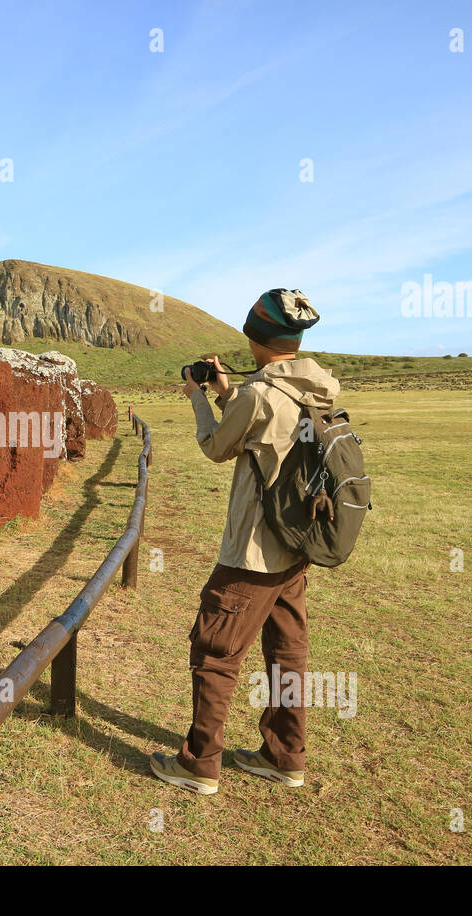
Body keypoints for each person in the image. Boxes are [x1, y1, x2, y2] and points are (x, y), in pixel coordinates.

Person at [149, 289, 339, 793]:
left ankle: (198, 763)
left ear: (253, 336)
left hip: (253, 550)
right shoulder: (313, 388)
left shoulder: (259, 395)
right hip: (294, 546)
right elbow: (265, 433)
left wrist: (199, 397)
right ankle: (284, 756)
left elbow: (217, 445)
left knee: (215, 650)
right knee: (287, 654)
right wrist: (229, 391)